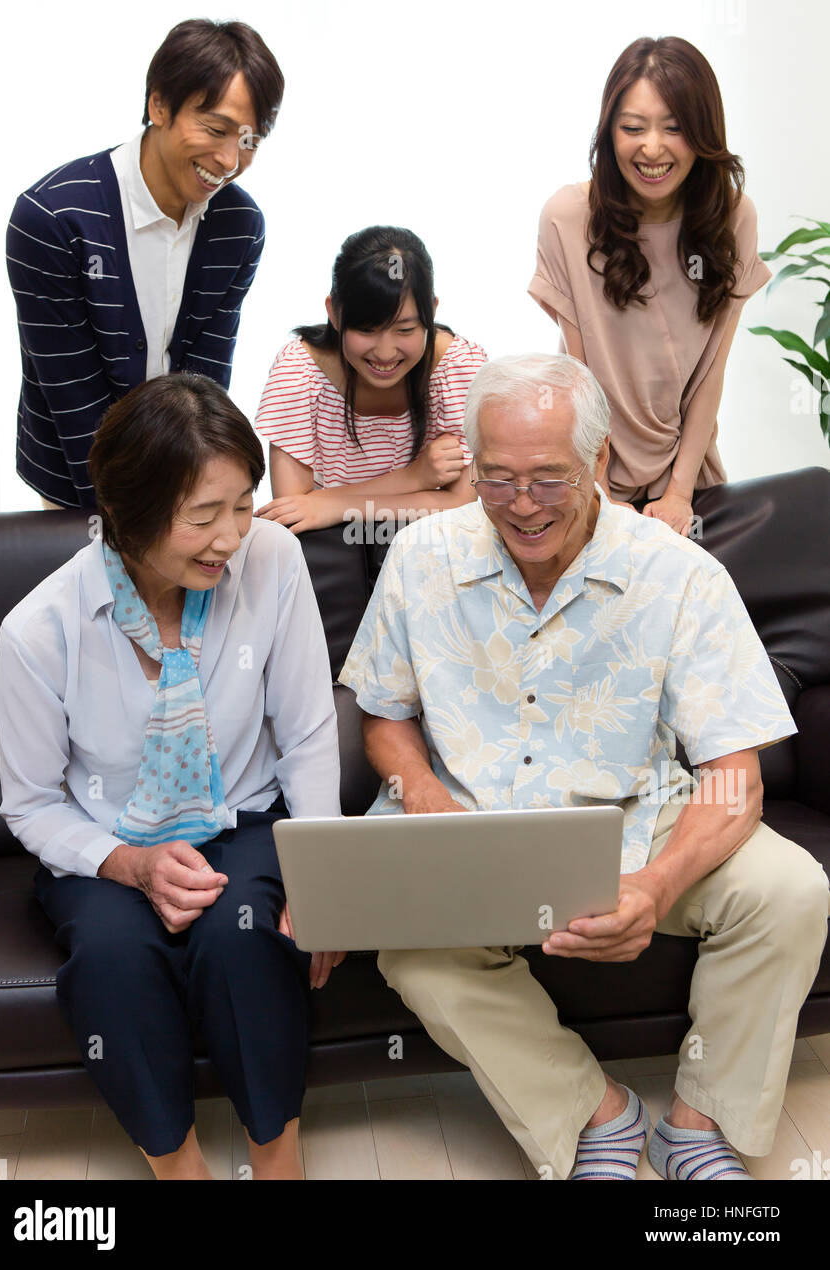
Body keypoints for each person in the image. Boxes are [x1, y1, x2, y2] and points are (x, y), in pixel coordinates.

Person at [337, 353, 829, 1182]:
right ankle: (594, 1114)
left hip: (639, 817)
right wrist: (421, 795)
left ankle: (698, 1126)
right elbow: (384, 716)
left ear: (599, 463)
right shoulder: (422, 558)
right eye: (497, 478)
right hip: (474, 822)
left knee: (791, 890)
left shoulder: (678, 573)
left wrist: (658, 886)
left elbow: (734, 774)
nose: (522, 506)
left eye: (547, 479)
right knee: (413, 951)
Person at [0, 373, 344, 1181]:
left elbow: (306, 728)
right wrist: (131, 865)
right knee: (112, 961)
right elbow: (33, 804)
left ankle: (276, 1158)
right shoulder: (39, 632)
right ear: (128, 514)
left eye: (245, 504)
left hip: (241, 826)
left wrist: (322, 880)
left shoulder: (275, 561)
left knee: (246, 942)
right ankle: (179, 1168)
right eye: (203, 516)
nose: (232, 536)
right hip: (108, 846)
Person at [6, 18, 284, 510]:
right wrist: (135, 521)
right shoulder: (52, 219)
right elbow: (73, 399)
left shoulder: (239, 226)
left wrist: (200, 500)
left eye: (249, 141)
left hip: (179, 483)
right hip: (75, 477)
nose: (227, 160)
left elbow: (205, 382)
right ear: (159, 105)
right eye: (215, 129)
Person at [527, 36, 771, 536]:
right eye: (633, 128)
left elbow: (710, 375)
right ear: (609, 133)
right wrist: (603, 495)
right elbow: (579, 380)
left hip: (689, 479)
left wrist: (679, 493)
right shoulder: (568, 218)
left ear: (703, 134)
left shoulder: (733, 219)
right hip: (591, 476)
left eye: (675, 128)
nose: (652, 148)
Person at [253, 226, 487, 534]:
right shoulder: (300, 374)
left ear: (431, 311)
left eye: (405, 330)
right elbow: (294, 512)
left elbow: (462, 505)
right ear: (335, 313)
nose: (386, 353)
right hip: (330, 560)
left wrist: (332, 505)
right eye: (367, 330)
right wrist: (415, 478)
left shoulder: (459, 367)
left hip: (431, 556)